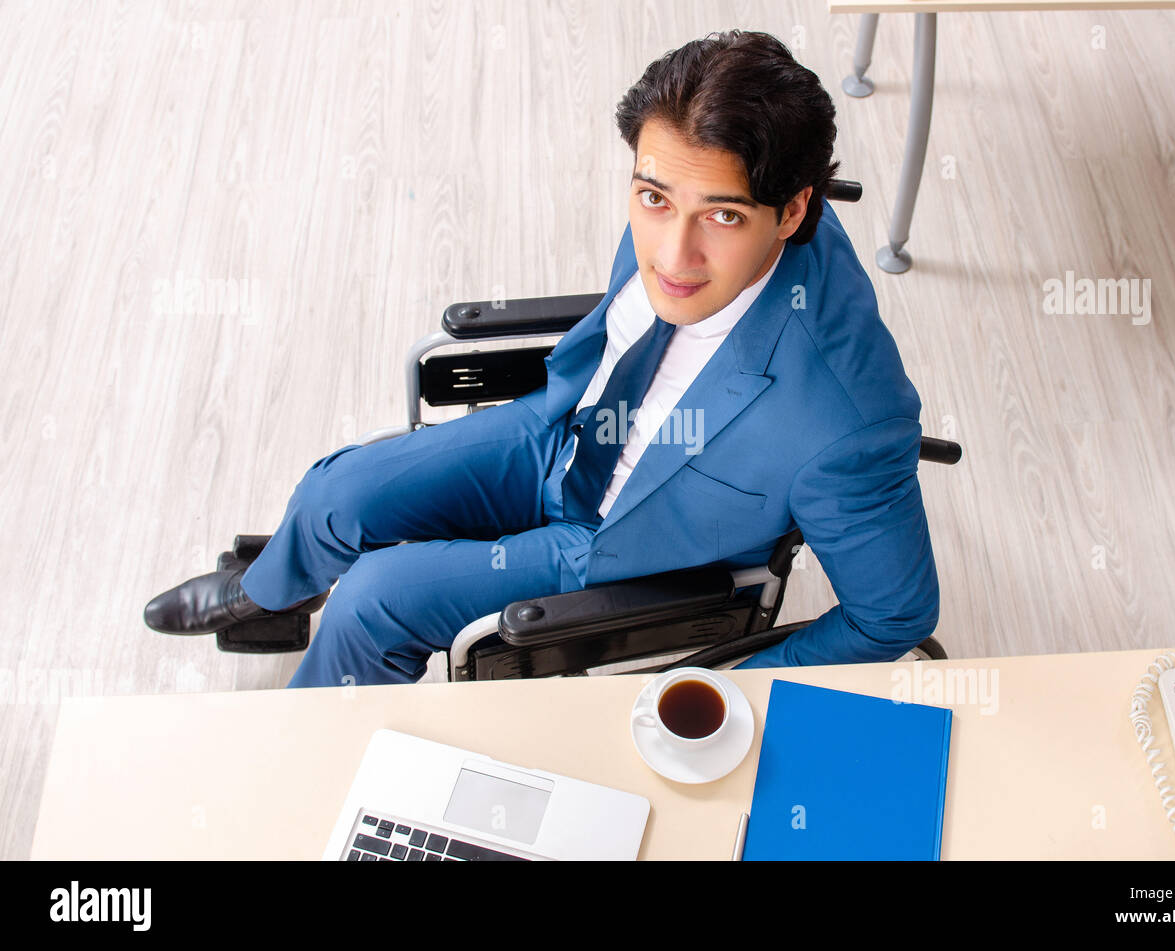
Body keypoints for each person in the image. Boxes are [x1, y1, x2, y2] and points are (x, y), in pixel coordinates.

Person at [144, 29, 940, 687]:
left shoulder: (848, 425)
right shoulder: (694, 181)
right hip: (566, 429)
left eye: (722, 216)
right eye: (653, 199)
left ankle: (307, 762)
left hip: (619, 539)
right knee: (335, 490)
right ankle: (268, 597)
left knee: (374, 600)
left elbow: (894, 616)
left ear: (794, 209)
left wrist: (729, 685)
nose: (672, 254)